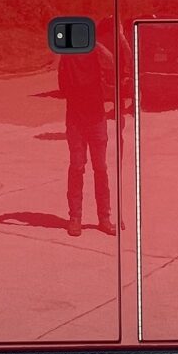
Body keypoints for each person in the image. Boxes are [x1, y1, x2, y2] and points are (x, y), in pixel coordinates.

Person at [57, 23, 116, 237]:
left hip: (97, 119)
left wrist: (97, 45)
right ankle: (75, 218)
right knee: (77, 167)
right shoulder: (68, 57)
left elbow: (113, 63)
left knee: (100, 169)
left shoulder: (96, 53)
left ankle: (105, 218)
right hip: (76, 120)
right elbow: (62, 85)